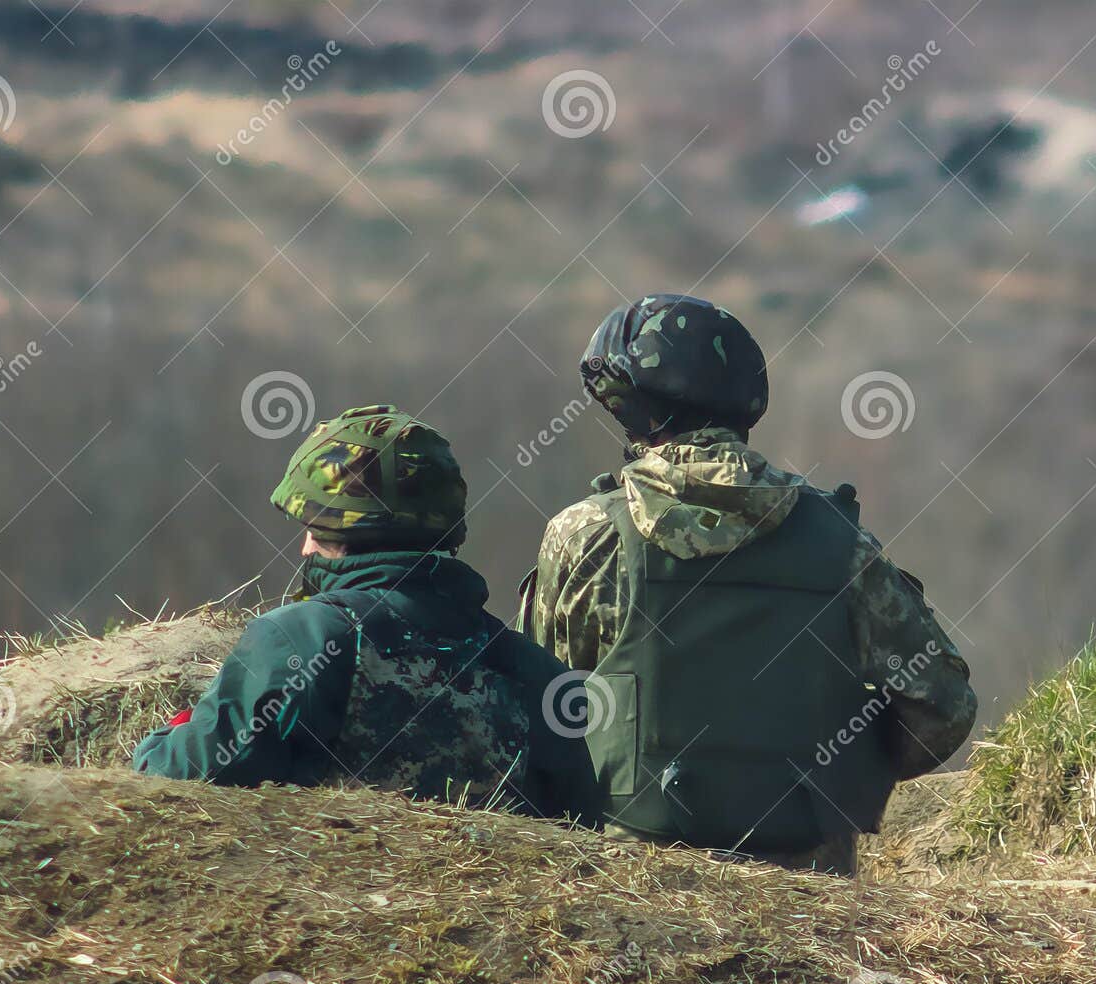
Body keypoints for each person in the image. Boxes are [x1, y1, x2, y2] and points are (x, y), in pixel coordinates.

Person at [520, 294, 976, 873]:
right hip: (810, 896)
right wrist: (836, 769)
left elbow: (538, 709)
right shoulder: (841, 547)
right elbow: (942, 706)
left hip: (628, 884)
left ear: (636, 410)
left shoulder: (586, 535)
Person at [135, 404, 603, 828]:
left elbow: (182, 777)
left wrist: (169, 735)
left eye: (314, 531)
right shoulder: (534, 670)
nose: (304, 548)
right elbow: (579, 835)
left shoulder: (302, 638)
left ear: (350, 534)